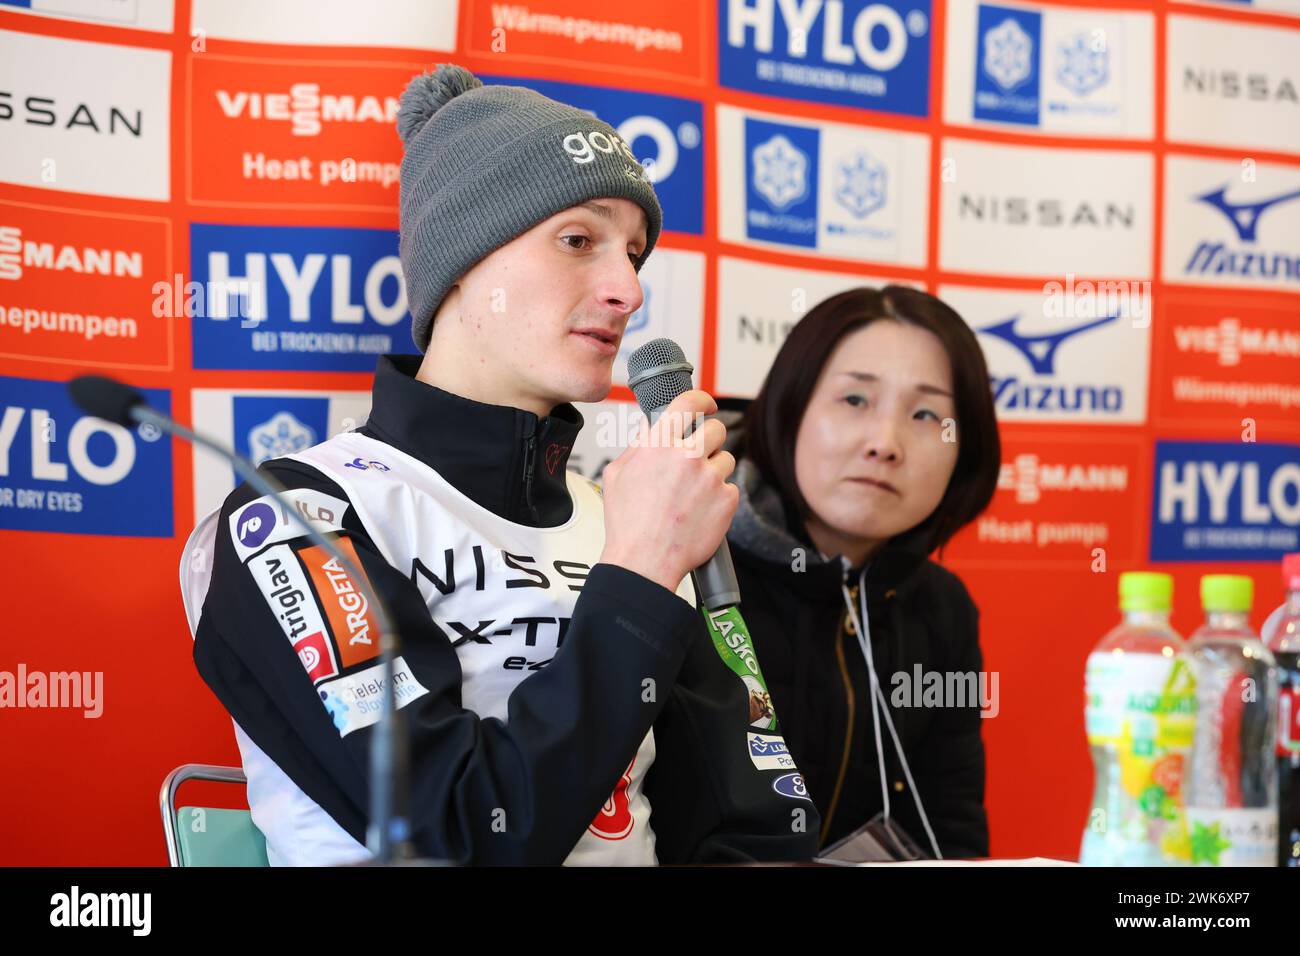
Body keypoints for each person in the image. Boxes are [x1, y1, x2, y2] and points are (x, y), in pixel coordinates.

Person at [189, 64, 819, 865]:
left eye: (633, 254)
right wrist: (639, 572)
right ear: (461, 262)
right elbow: (461, 830)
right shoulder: (291, 517)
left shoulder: (625, 514)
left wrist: (645, 557)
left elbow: (746, 824)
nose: (628, 288)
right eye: (579, 241)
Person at [721, 286, 1000, 859]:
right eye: (854, 400)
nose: (885, 444)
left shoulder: (942, 607)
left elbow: (950, 824)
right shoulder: (690, 568)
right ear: (790, 408)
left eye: (926, 414)